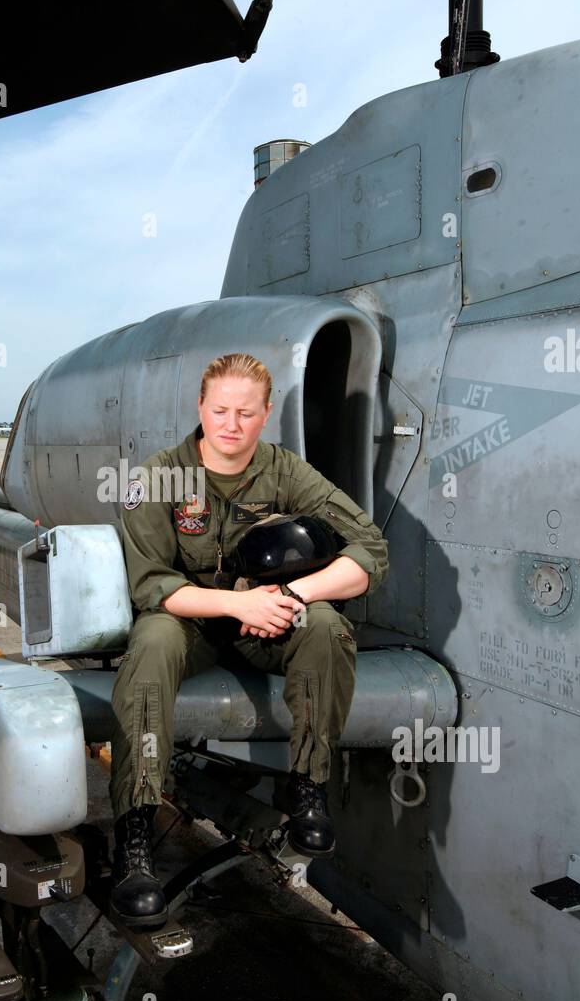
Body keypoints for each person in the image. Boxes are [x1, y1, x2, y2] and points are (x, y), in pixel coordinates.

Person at [108, 352, 389, 929]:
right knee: (152, 643)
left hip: (267, 621)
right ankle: (136, 838)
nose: (230, 424)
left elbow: (369, 551)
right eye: (219, 410)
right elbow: (154, 586)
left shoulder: (285, 471)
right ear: (200, 409)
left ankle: (308, 789)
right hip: (190, 621)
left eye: (245, 412)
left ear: (265, 415)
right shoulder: (158, 478)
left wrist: (293, 598)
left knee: (327, 627)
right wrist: (240, 602)